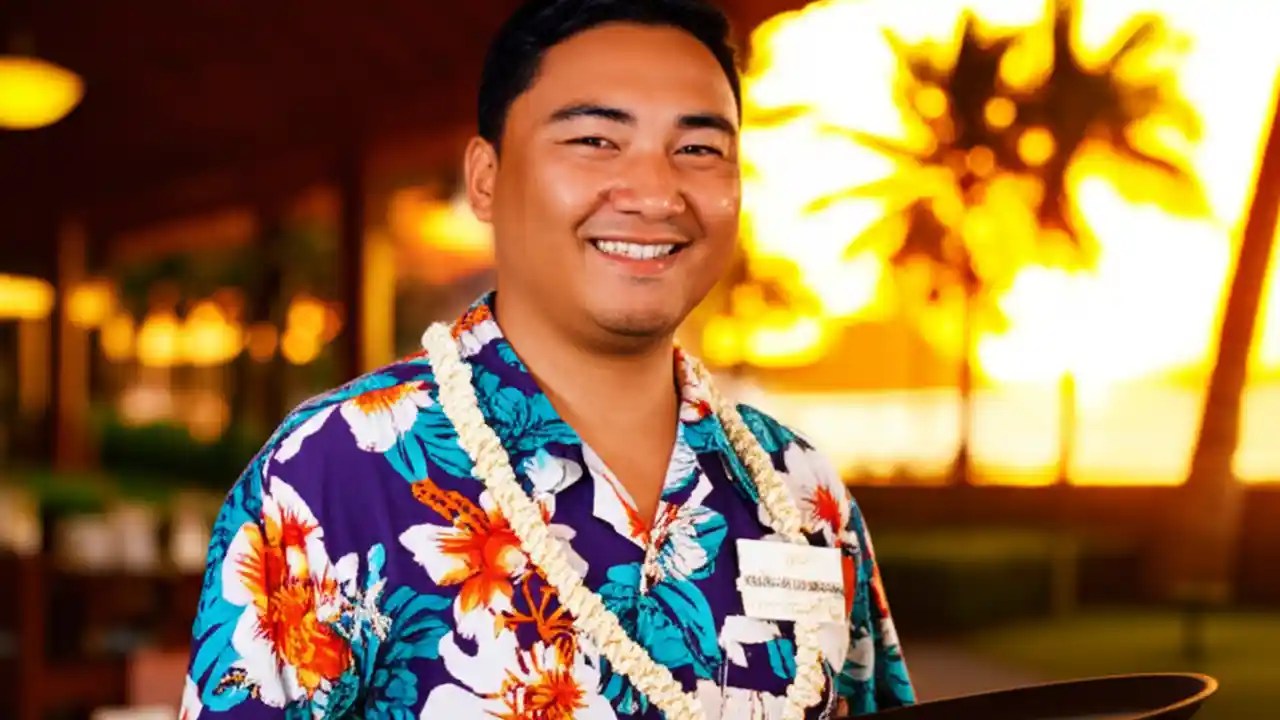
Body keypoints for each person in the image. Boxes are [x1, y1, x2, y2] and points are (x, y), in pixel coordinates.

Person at [179, 1, 914, 717]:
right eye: (595, 140)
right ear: (486, 178)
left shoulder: (800, 488)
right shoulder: (336, 474)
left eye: (698, 149)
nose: (656, 195)